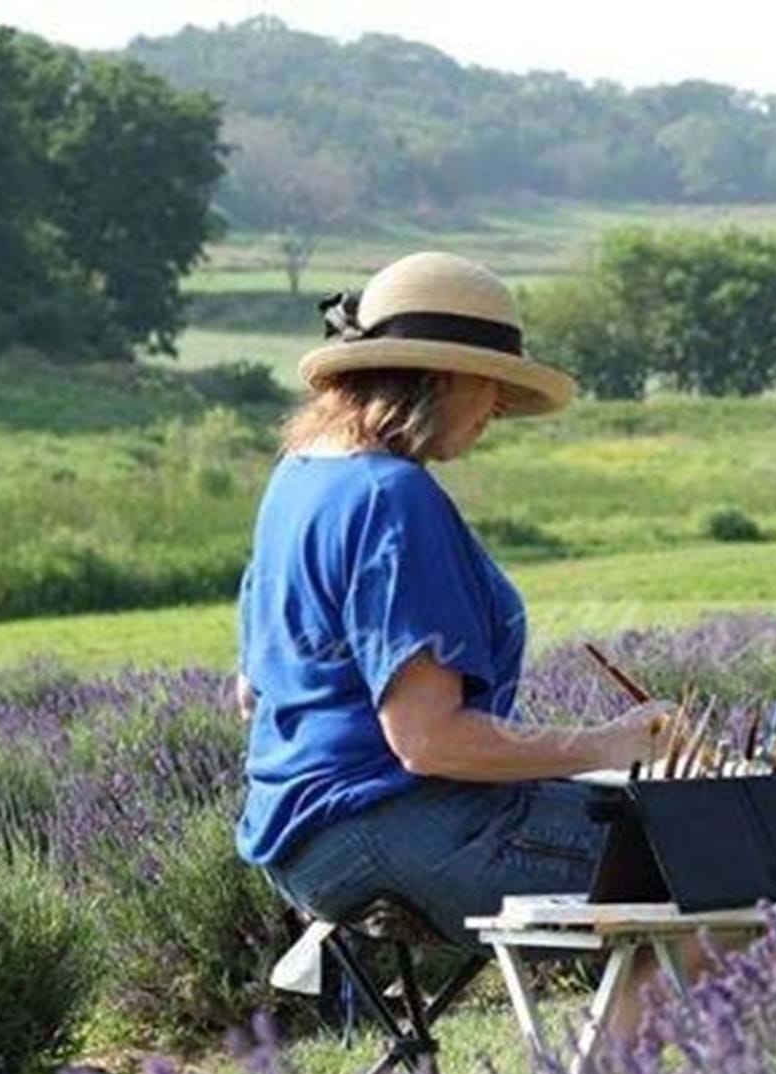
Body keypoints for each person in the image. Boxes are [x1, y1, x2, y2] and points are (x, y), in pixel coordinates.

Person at [235, 251, 675, 1003]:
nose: (497, 407)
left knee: (680, 850)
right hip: (395, 824)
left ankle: (628, 1071)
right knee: (712, 862)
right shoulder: (393, 498)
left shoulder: (299, 477)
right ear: (441, 376)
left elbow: (251, 691)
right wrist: (610, 745)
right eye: (491, 383)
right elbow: (428, 741)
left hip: (297, 837)